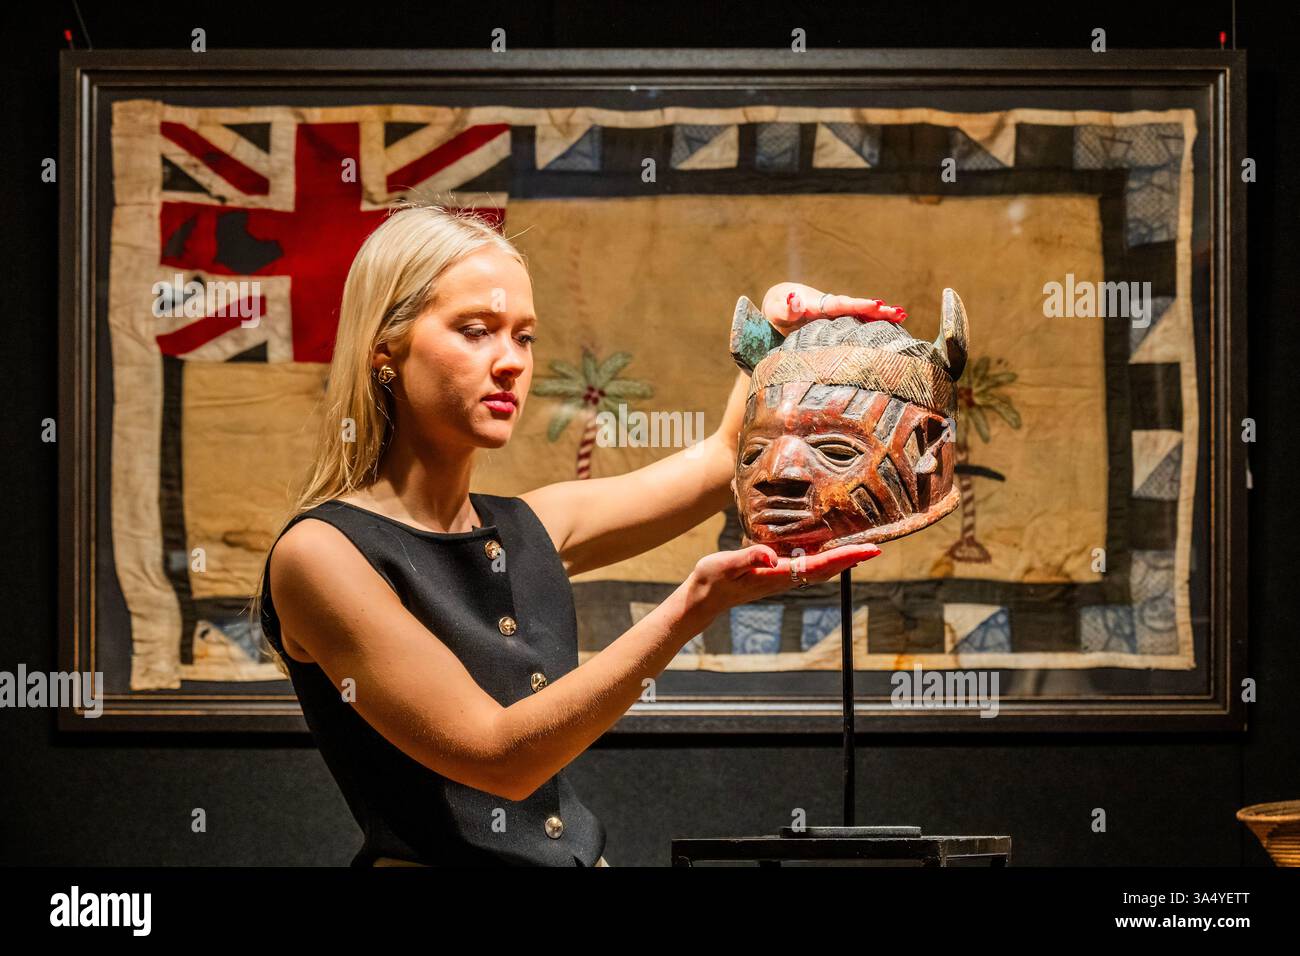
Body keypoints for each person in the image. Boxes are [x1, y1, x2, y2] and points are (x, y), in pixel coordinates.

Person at [251, 199, 903, 867]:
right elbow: (500, 758)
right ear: (383, 350)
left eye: (524, 336)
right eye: (475, 330)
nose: (510, 362)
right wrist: (691, 608)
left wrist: (774, 334)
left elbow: (723, 459)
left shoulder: (532, 526)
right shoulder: (320, 555)